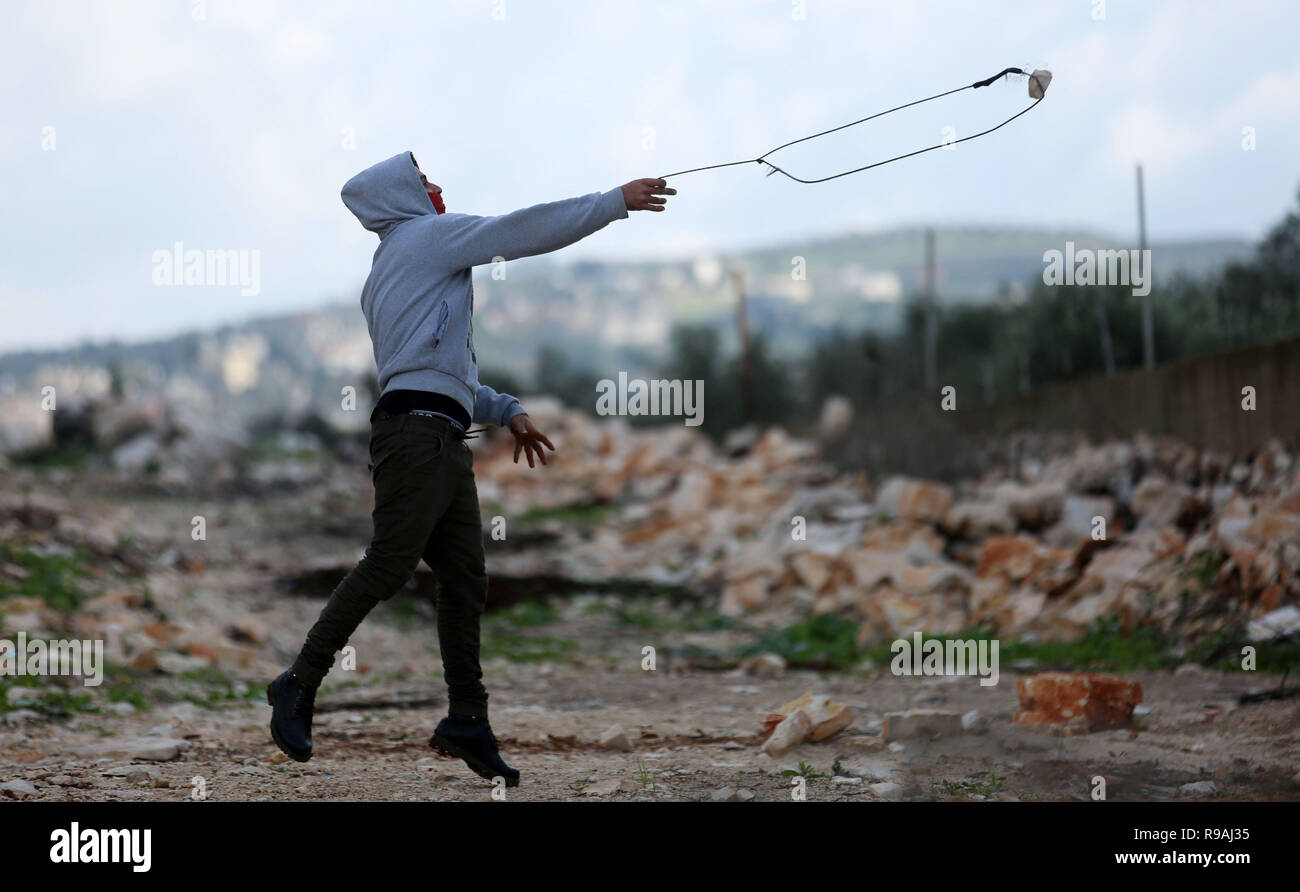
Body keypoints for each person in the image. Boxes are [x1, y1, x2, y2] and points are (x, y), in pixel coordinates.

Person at [267, 151, 675, 786]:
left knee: (465, 580)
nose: (437, 186)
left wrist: (506, 409)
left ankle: (467, 720)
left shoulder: (393, 267)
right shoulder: (426, 236)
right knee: (390, 563)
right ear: (402, 195)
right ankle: (297, 683)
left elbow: (440, 375)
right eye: (424, 177)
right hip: (416, 439)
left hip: (438, 435)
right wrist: (613, 201)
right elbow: (519, 229)